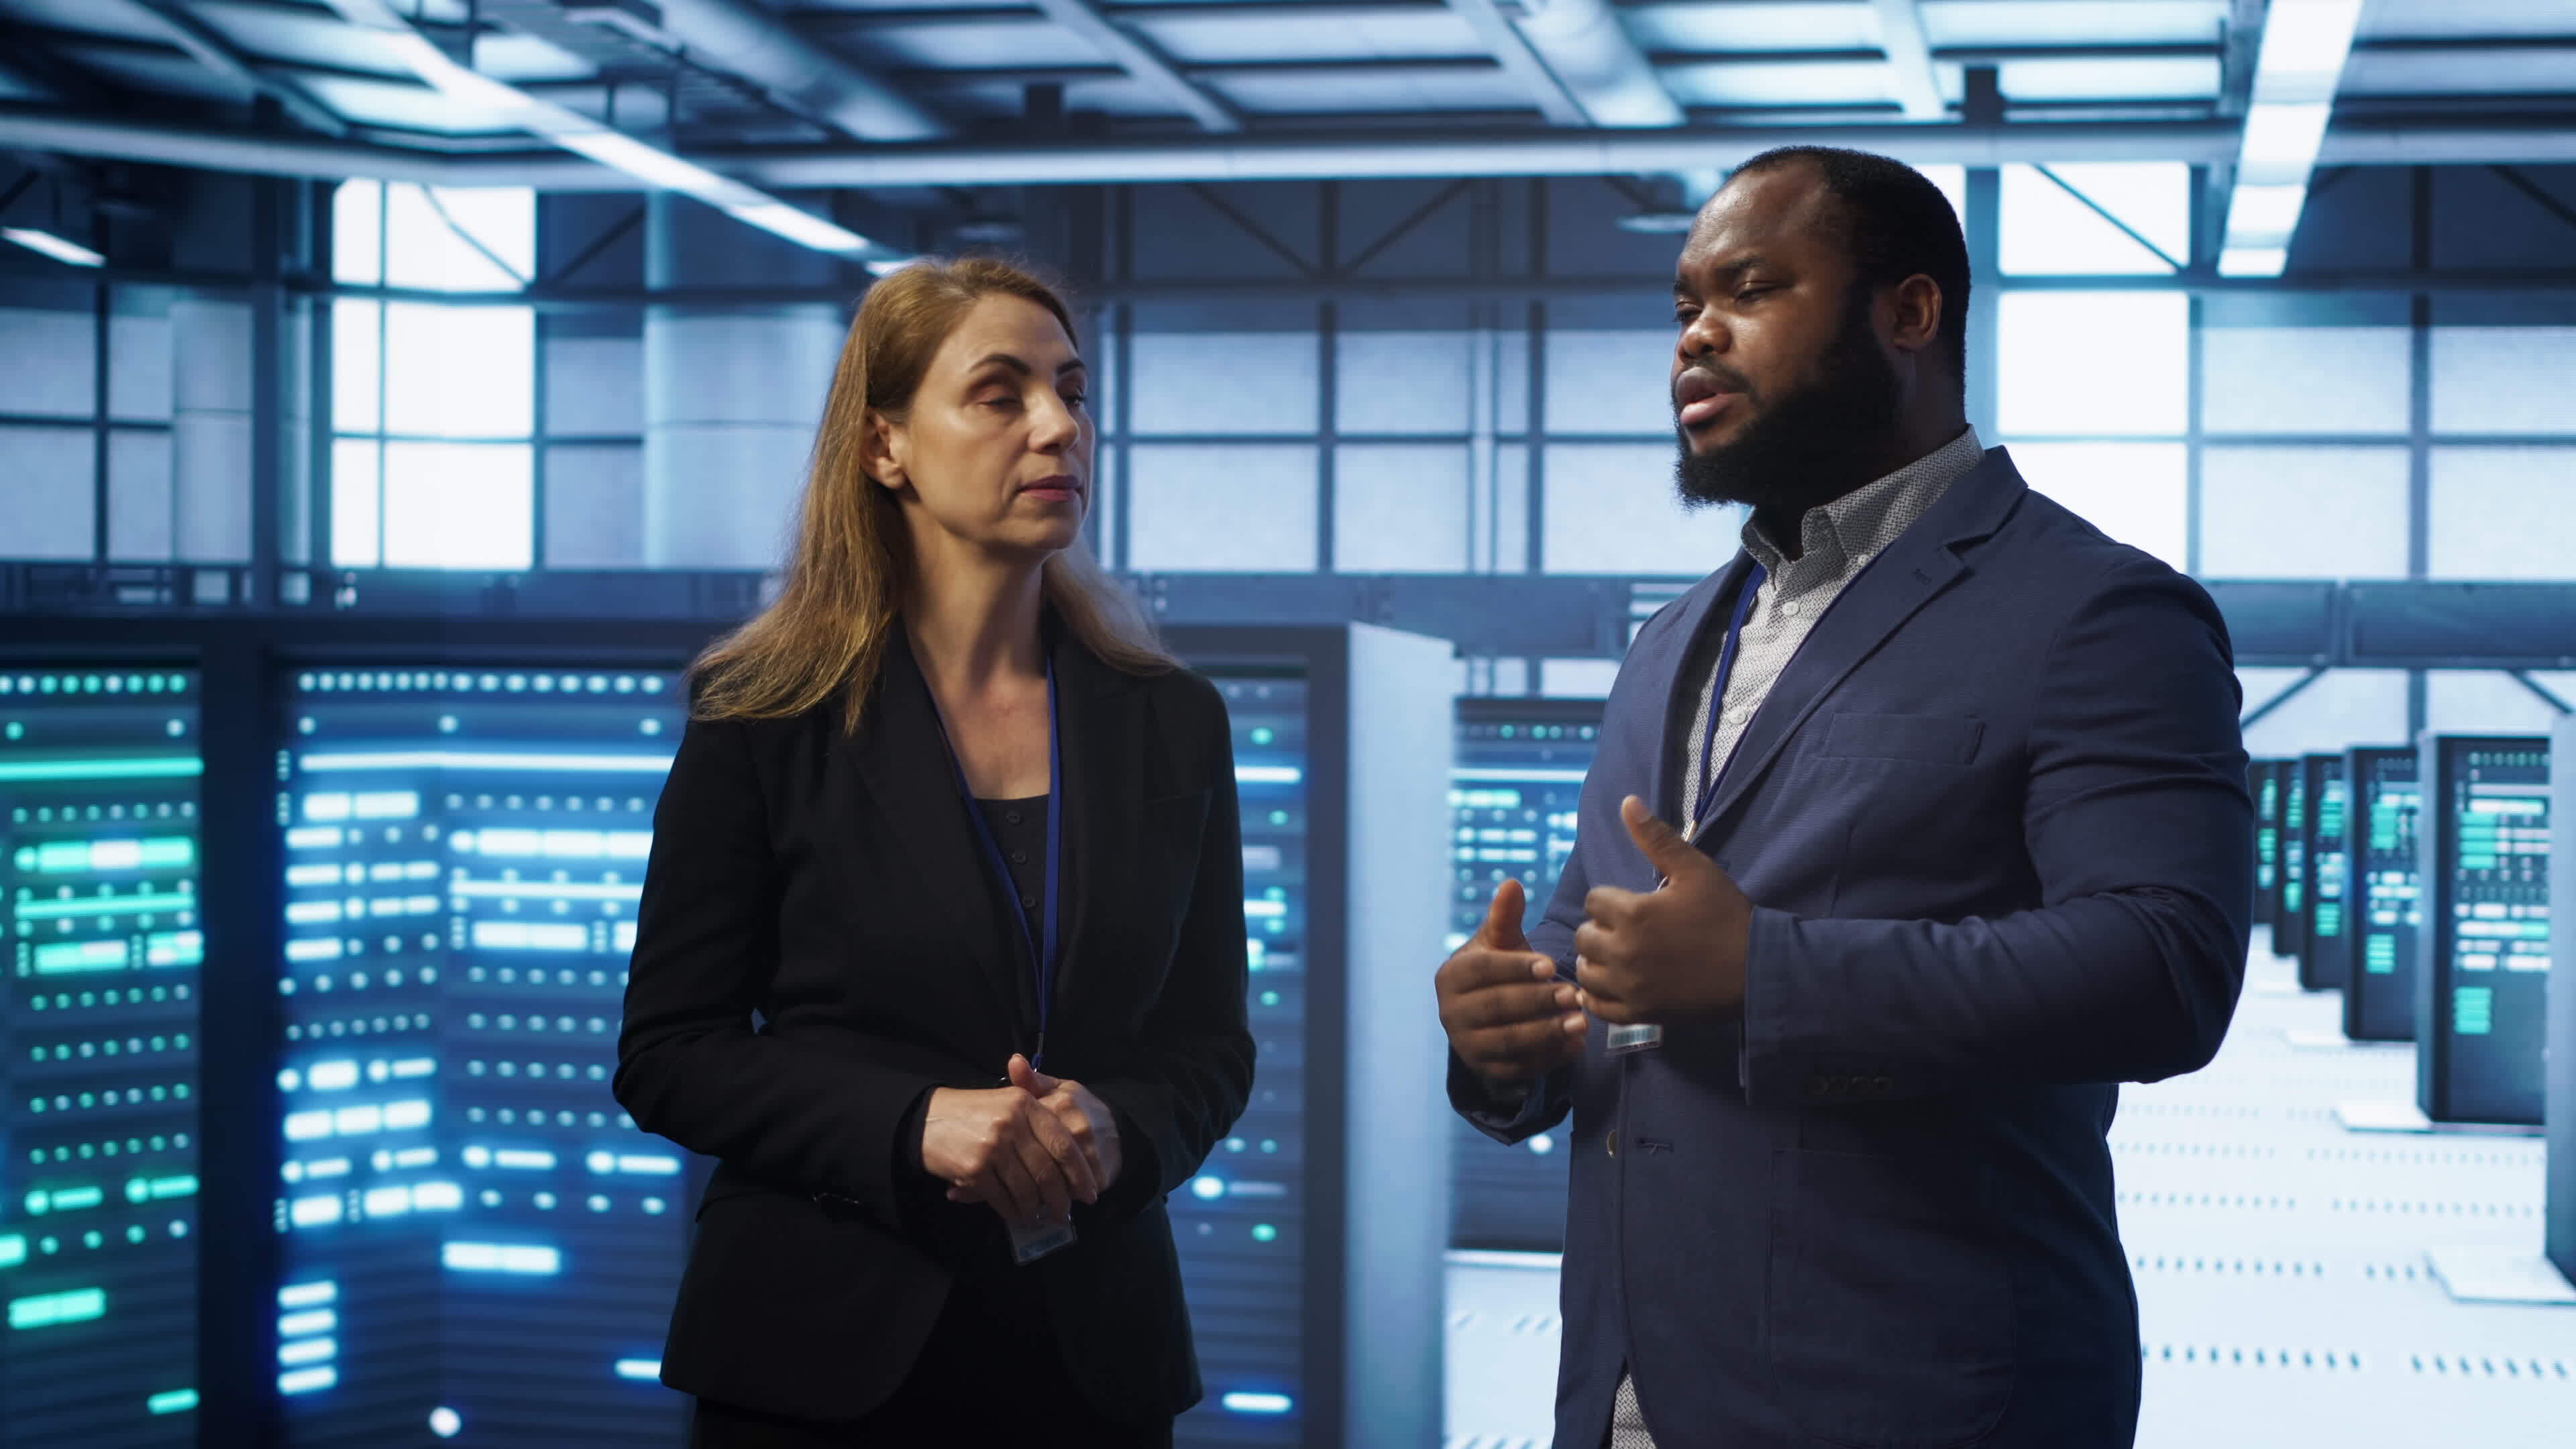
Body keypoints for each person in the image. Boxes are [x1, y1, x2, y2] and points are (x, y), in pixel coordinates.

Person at [1436, 147, 2251, 1448]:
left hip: (1913, 1398)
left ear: (1908, 313)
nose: (1696, 335)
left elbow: (2165, 966)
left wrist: (1766, 975)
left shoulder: (2099, 614)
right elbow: (1611, 942)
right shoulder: (1670, 642)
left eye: (1749, 289)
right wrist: (1512, 1037)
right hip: (1625, 1395)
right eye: (1683, 306)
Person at [614, 257, 1255, 1446]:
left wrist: (1125, 1128)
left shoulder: (1170, 721)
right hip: (815, 1359)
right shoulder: (763, 715)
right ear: (884, 447)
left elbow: (1212, 1044)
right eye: (1001, 394)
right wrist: (913, 1122)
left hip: (1092, 1363)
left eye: (1072, 389)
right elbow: (669, 1053)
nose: (1060, 425)